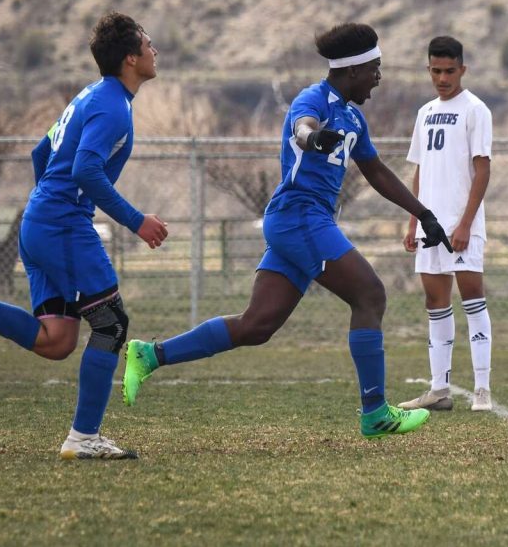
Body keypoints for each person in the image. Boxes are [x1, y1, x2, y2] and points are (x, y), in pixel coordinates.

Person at [121, 22, 453, 439]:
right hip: (299, 217)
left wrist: (423, 213)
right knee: (370, 294)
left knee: (256, 326)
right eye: (375, 68)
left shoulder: (353, 117)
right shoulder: (312, 99)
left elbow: (376, 171)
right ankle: (374, 413)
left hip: (302, 224)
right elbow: (303, 127)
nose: (379, 77)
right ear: (352, 70)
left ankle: (150, 355)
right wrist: (314, 139)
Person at [0, 11, 169, 458]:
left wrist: (48, 201)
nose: (154, 49)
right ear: (130, 59)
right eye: (148, 42)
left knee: (57, 341)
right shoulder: (114, 107)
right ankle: (83, 439)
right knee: (112, 324)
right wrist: (136, 220)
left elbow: (40, 151)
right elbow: (85, 169)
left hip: (43, 222)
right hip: (61, 226)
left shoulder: (91, 96)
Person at [398, 36, 494, 413]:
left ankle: (483, 389)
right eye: (436, 71)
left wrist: (466, 224)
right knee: (435, 302)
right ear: (428, 70)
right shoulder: (424, 112)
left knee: (472, 300)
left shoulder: (475, 110)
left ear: (462, 70)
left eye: (449, 71)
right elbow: (420, 170)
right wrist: (412, 221)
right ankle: (439, 390)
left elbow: (483, 170)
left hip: (461, 224)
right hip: (429, 224)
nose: (442, 78)